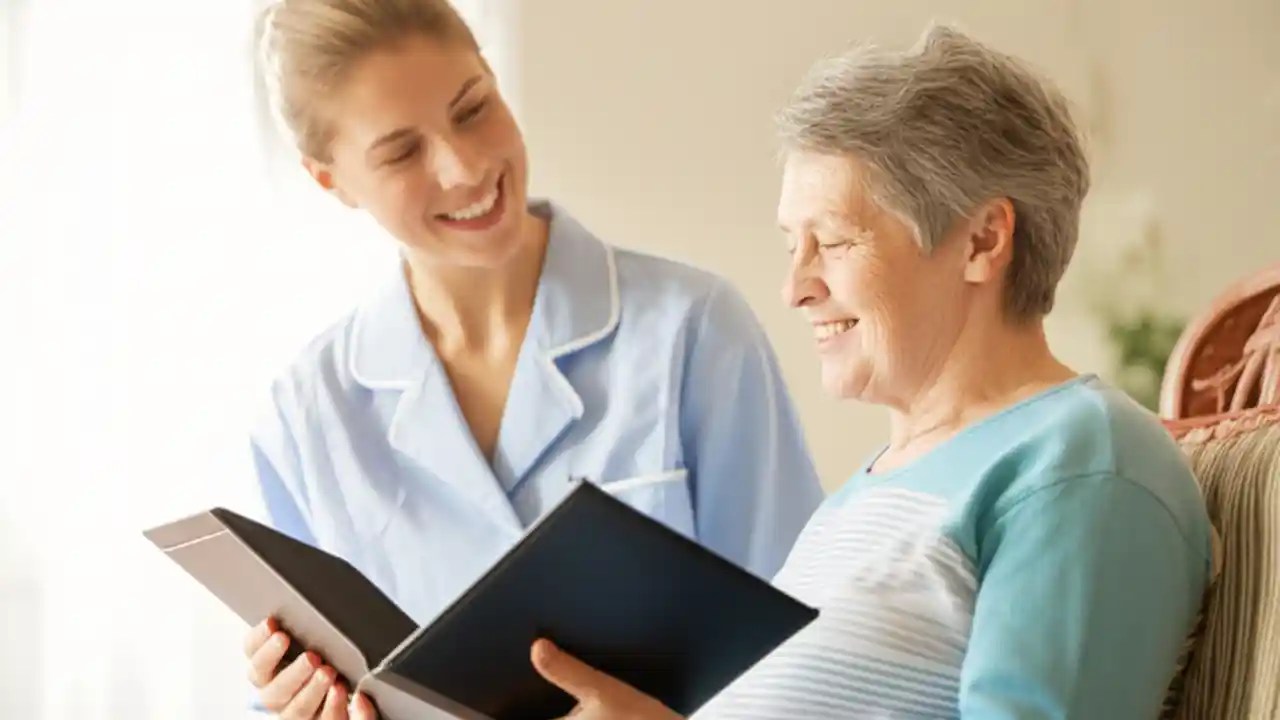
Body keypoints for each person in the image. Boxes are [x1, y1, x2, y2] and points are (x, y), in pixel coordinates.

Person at [527, 24, 1215, 719]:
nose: (795, 288)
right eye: (792, 246)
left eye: (831, 242)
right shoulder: (860, 499)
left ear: (982, 241)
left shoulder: (1079, 459)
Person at [239, 0, 824, 717]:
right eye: (401, 152)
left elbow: (818, 662)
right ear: (330, 180)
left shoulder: (694, 332)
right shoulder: (305, 418)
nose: (464, 167)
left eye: (472, 108)